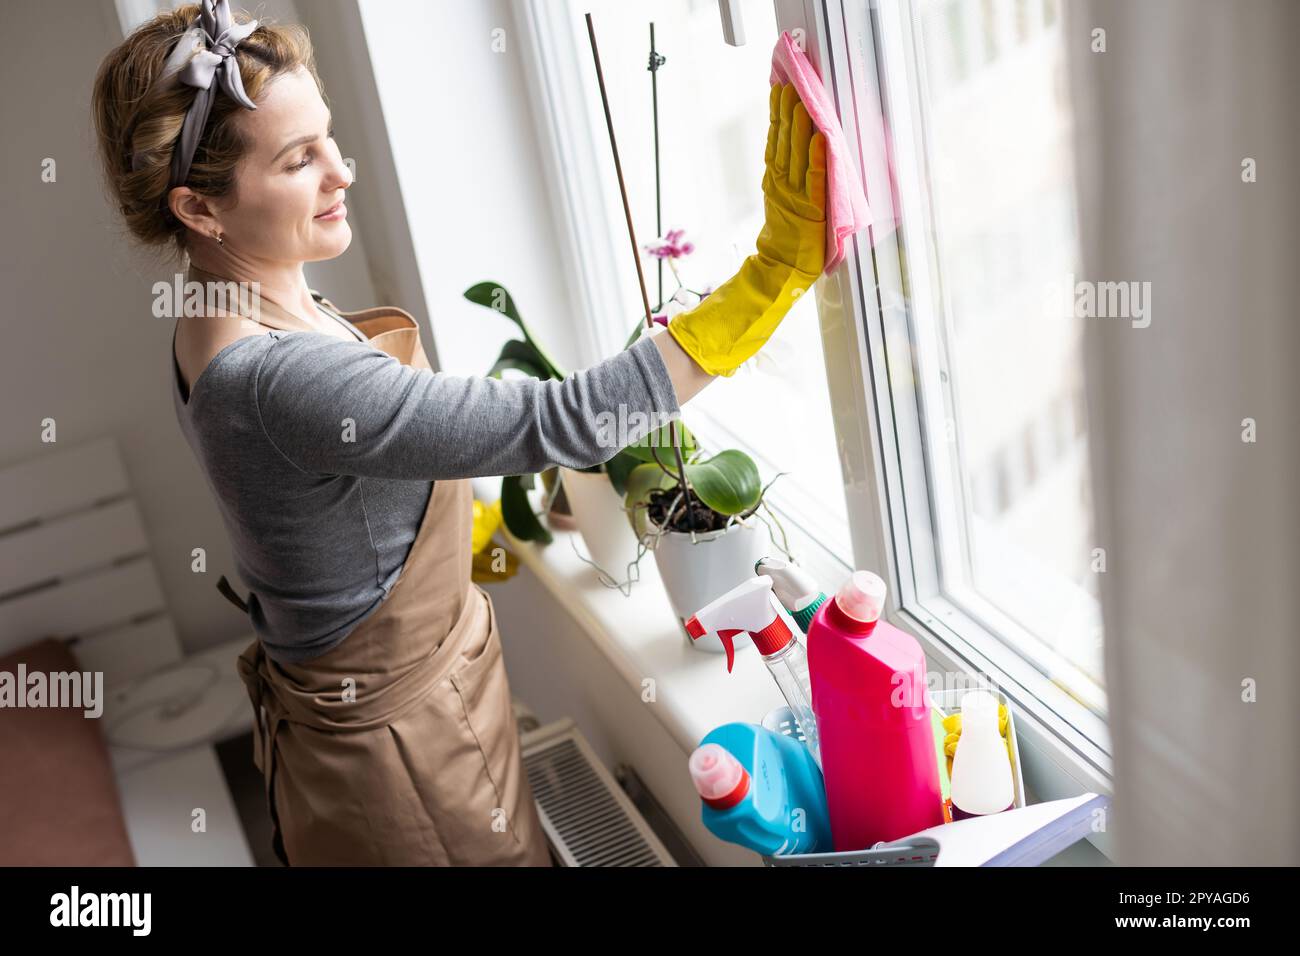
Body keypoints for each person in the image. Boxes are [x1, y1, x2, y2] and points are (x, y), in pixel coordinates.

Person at [91, 0, 827, 866]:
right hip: (400, 757)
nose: (341, 171)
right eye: (298, 159)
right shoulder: (273, 376)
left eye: (327, 137)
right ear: (199, 210)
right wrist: (774, 270)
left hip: (375, 712)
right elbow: (568, 421)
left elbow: (355, 491)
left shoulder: (229, 307)